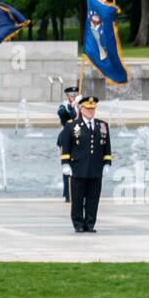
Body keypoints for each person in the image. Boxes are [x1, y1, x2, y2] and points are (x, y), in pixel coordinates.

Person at [58, 95, 111, 232]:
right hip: (78, 168)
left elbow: (106, 146)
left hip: (95, 168)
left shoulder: (102, 125)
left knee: (93, 199)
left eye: (92, 109)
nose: (90, 111)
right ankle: (78, 224)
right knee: (77, 199)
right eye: (87, 109)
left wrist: (107, 162)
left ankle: (90, 223)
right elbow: (66, 146)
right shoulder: (72, 126)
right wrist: (65, 163)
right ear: (81, 109)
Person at [57, 85, 80, 201]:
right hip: (66, 139)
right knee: (66, 166)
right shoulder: (64, 106)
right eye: (72, 95)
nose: (74, 97)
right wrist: (71, 108)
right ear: (67, 96)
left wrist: (78, 107)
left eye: (75, 95)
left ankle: (79, 192)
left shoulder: (81, 106)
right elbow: (64, 117)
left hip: (79, 138)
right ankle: (67, 194)